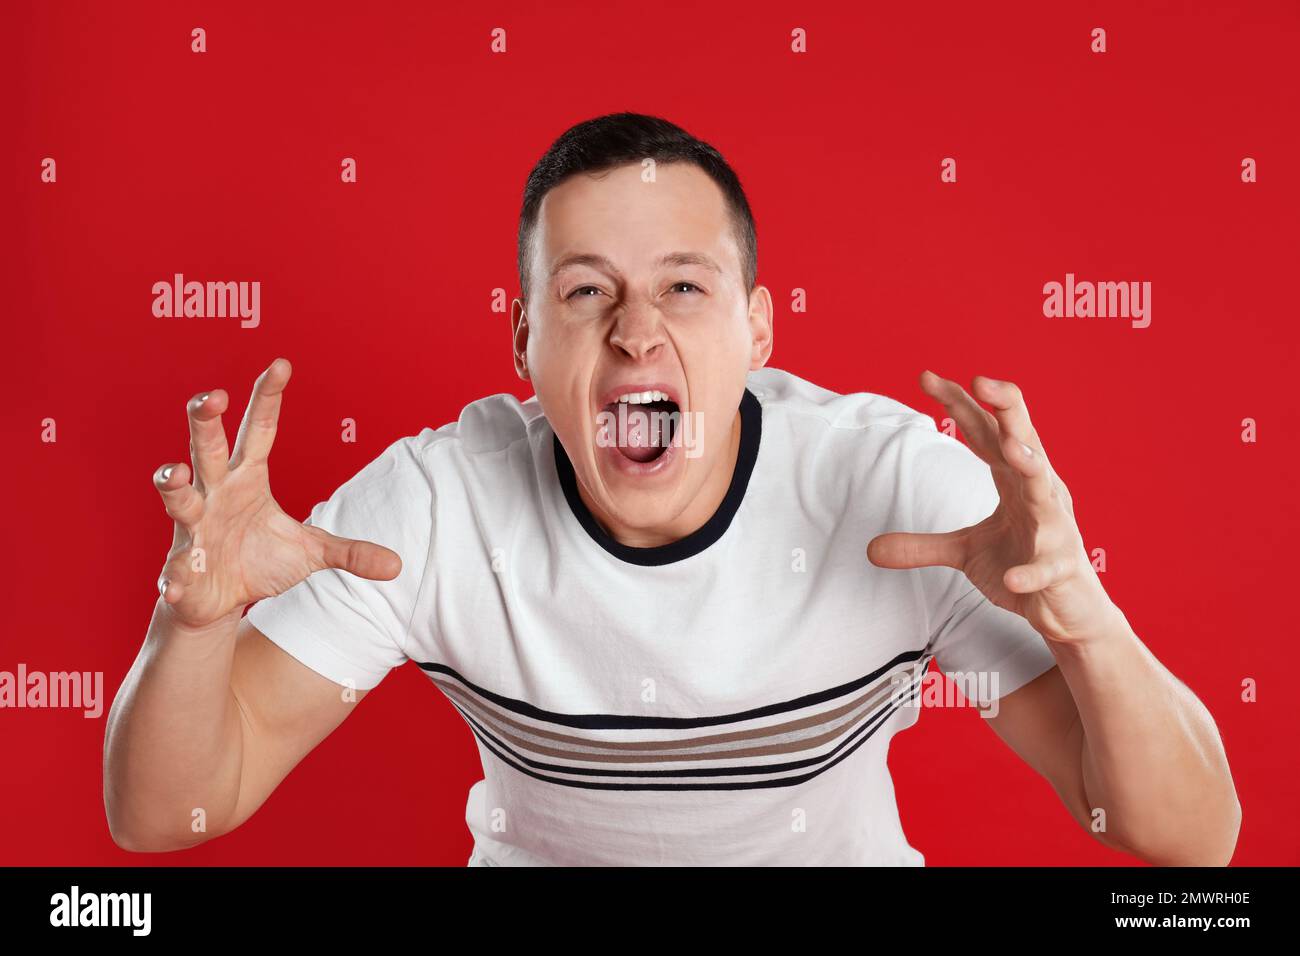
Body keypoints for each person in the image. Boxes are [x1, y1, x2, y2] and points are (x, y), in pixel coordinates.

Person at [104, 112, 1240, 866]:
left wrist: (1082, 613)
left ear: (756, 330)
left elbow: (1191, 840)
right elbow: (161, 814)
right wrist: (192, 626)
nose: (638, 329)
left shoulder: (897, 491)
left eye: (684, 288)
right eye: (587, 291)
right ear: (521, 339)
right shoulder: (434, 508)